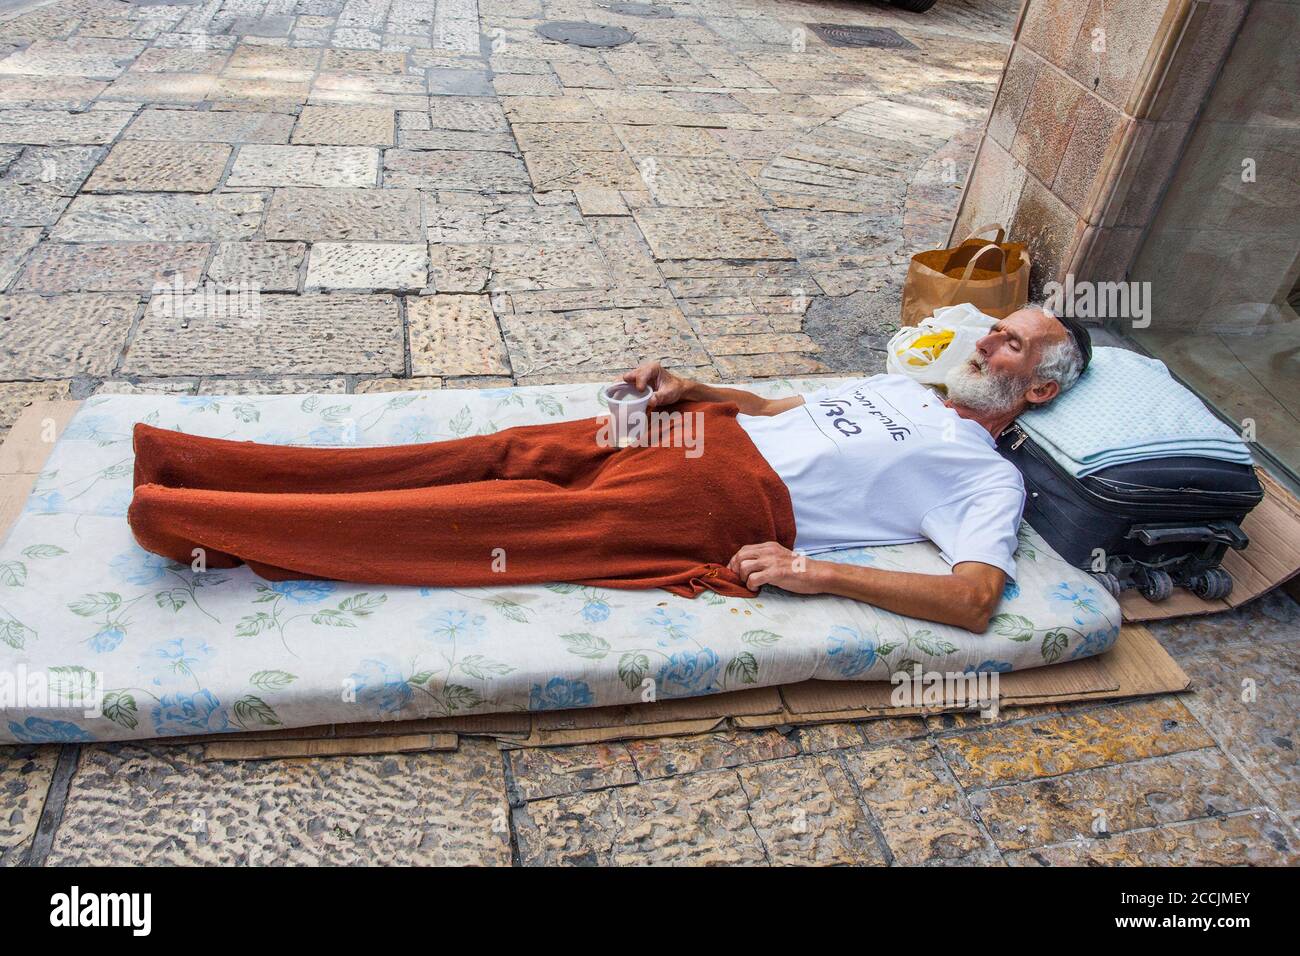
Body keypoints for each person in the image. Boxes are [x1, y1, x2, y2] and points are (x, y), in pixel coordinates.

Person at [127, 304, 1089, 633]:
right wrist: (692, 387)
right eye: (993, 331)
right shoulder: (914, 394)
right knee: (481, 455)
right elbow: (779, 410)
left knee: (476, 517)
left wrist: (814, 572)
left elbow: (972, 600)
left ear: (1037, 392)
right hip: (702, 434)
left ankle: (192, 520)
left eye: (1009, 347)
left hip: (721, 497)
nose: (985, 342)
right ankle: (185, 464)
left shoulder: (984, 476)